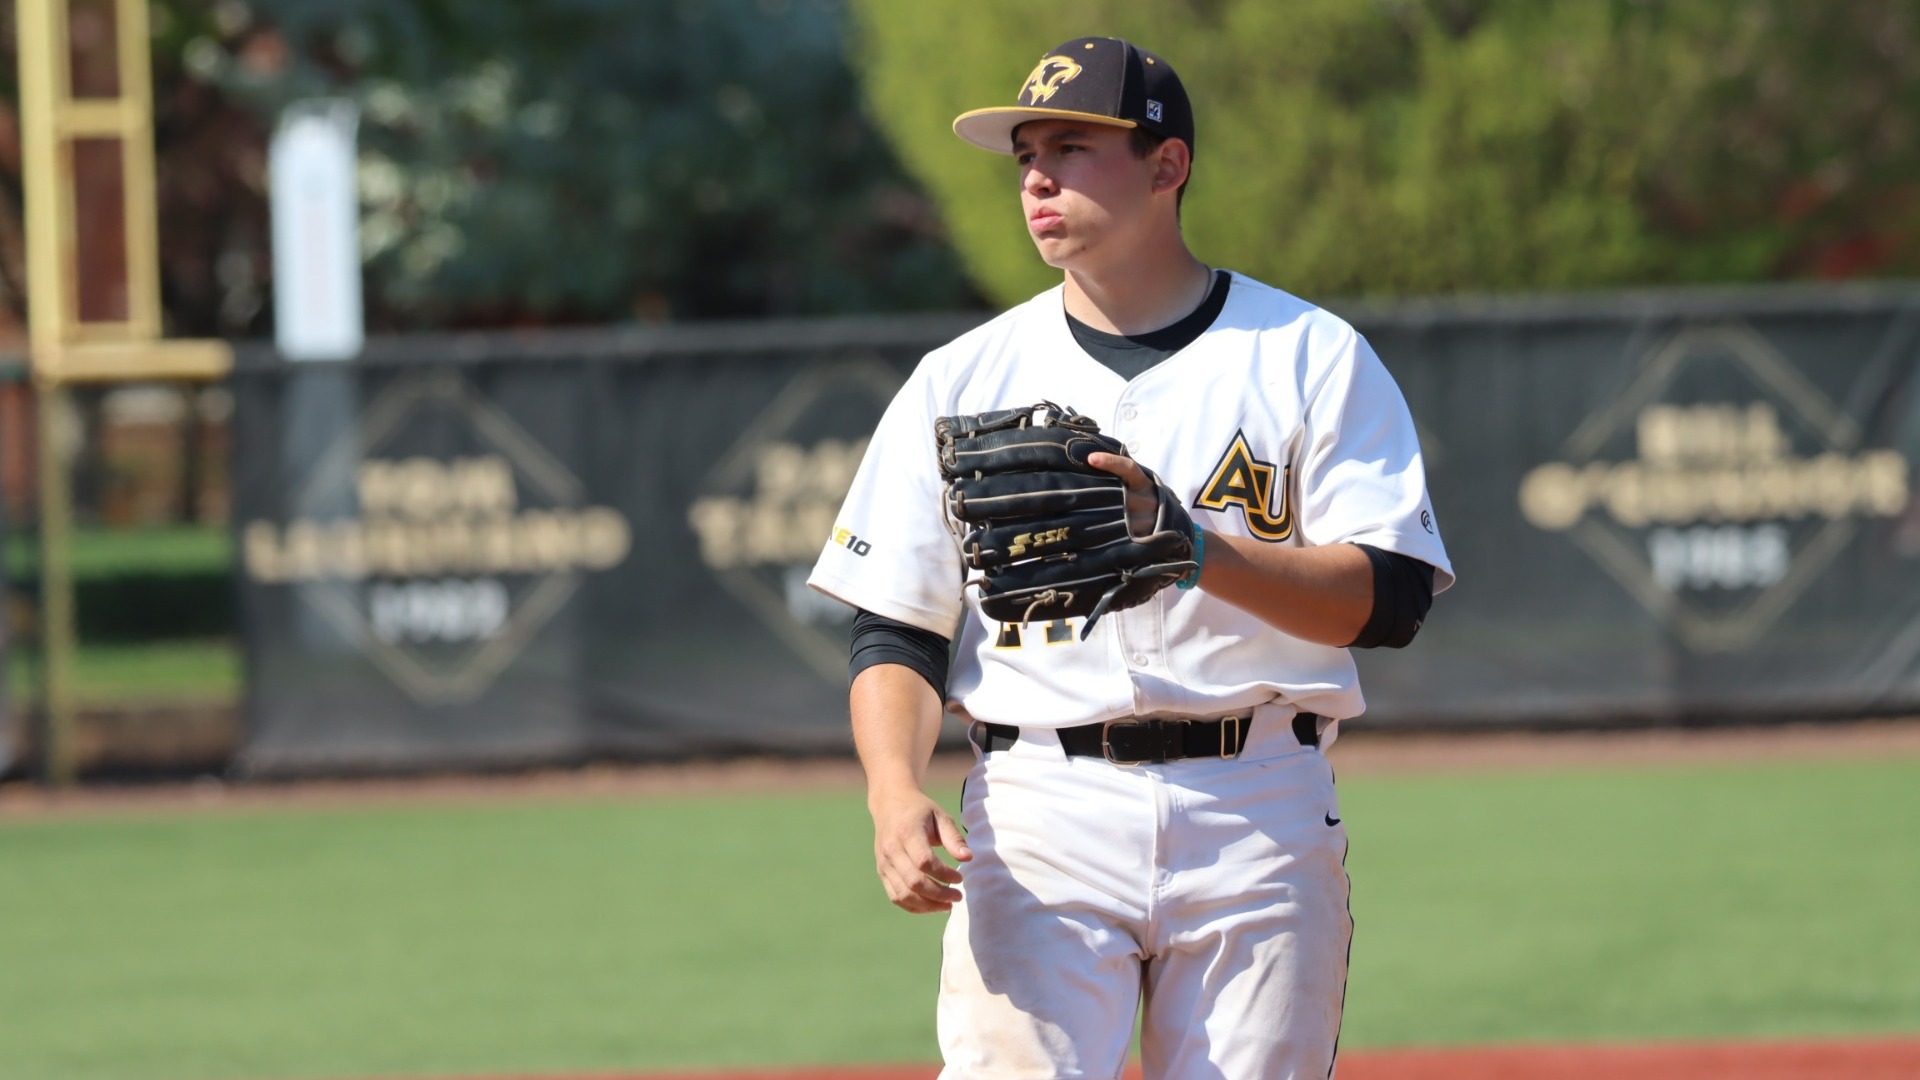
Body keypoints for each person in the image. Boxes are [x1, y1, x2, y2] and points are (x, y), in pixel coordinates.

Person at [808, 36, 1454, 1079]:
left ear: (1168, 166)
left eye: (1072, 147)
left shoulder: (1307, 355)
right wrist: (892, 789)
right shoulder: (960, 375)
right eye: (1025, 155)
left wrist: (1199, 552)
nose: (1037, 178)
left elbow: (1390, 601)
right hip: (1038, 809)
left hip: (1257, 801)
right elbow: (896, 625)